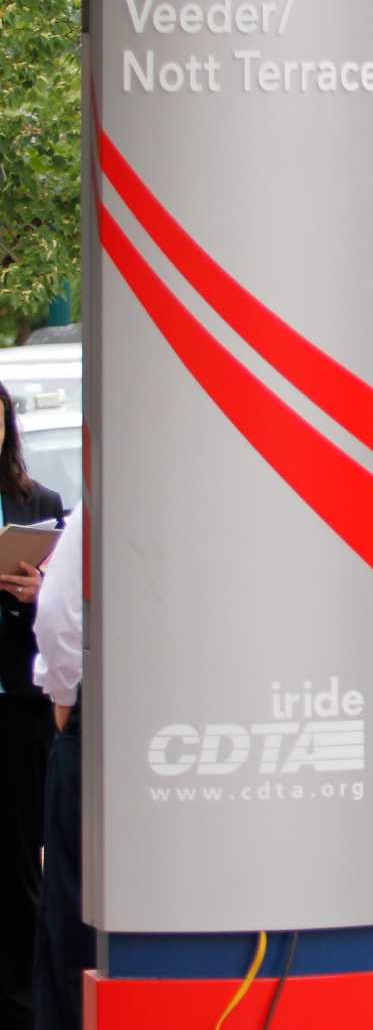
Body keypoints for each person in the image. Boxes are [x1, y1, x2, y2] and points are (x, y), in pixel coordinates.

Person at [0, 383, 63, 1030]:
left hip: (18, 704)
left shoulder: (36, 502)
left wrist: (35, 591)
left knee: (22, 859)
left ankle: (21, 1001)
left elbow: (63, 603)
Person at [28, 525, 84, 1030]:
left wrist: (64, 696)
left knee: (73, 902)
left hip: (101, 716)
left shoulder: (104, 501)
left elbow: (57, 611)